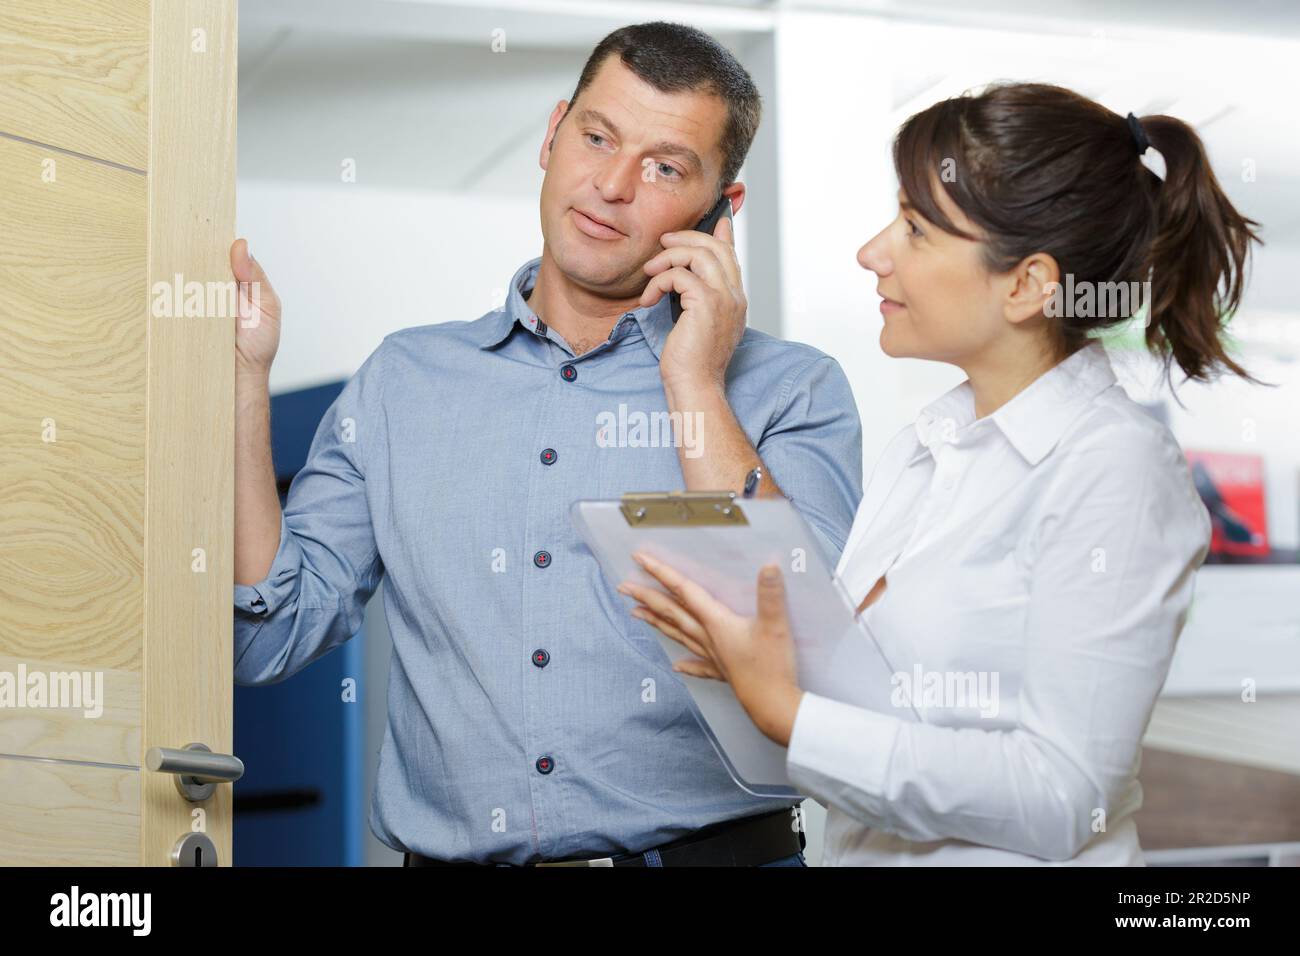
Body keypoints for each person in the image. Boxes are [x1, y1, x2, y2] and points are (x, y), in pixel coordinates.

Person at [229, 21, 862, 866]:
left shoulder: (793, 391)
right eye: (596, 137)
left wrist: (696, 386)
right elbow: (267, 638)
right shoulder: (402, 382)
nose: (609, 185)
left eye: (665, 167)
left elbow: (813, 675)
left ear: (721, 210)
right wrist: (242, 383)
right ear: (553, 133)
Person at [621, 82, 1265, 865]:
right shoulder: (927, 447)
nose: (873, 252)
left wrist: (790, 711)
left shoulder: (1113, 466)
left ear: (1027, 284)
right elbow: (881, 729)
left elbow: (1064, 796)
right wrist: (754, 672)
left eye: (917, 230)